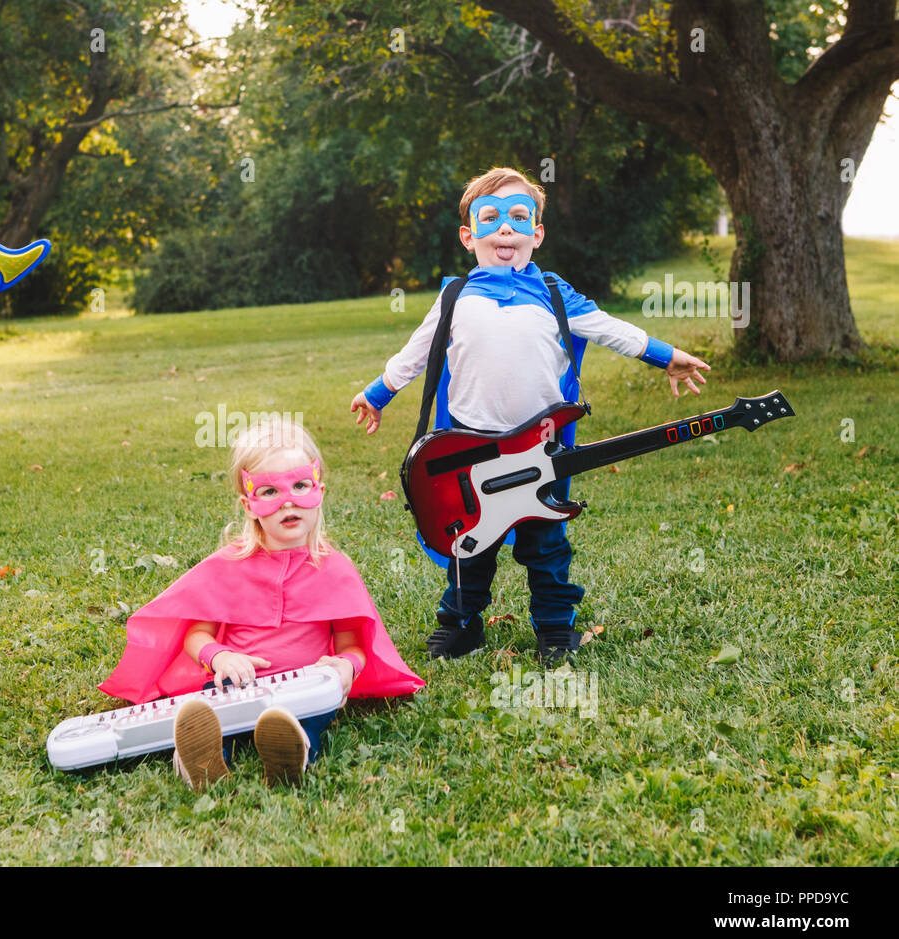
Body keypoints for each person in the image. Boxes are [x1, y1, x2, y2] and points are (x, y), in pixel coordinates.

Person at [350, 166, 711, 665]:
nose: (505, 228)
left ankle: (556, 629)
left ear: (536, 234)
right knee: (469, 548)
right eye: (491, 217)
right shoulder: (454, 297)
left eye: (519, 218)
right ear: (468, 234)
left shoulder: (557, 295)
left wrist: (664, 354)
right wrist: (376, 393)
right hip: (467, 450)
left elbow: (609, 329)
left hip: (544, 449)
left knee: (546, 543)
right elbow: (414, 354)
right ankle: (460, 626)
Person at [99, 420, 424, 790]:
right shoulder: (228, 566)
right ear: (249, 505)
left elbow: (352, 643)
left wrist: (347, 667)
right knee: (209, 712)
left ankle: (290, 754)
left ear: (318, 489)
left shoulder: (333, 568)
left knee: (306, 718)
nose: (288, 501)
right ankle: (200, 761)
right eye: (270, 490)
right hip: (234, 686)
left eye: (300, 486)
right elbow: (196, 636)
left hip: (303, 689)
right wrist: (219, 657)